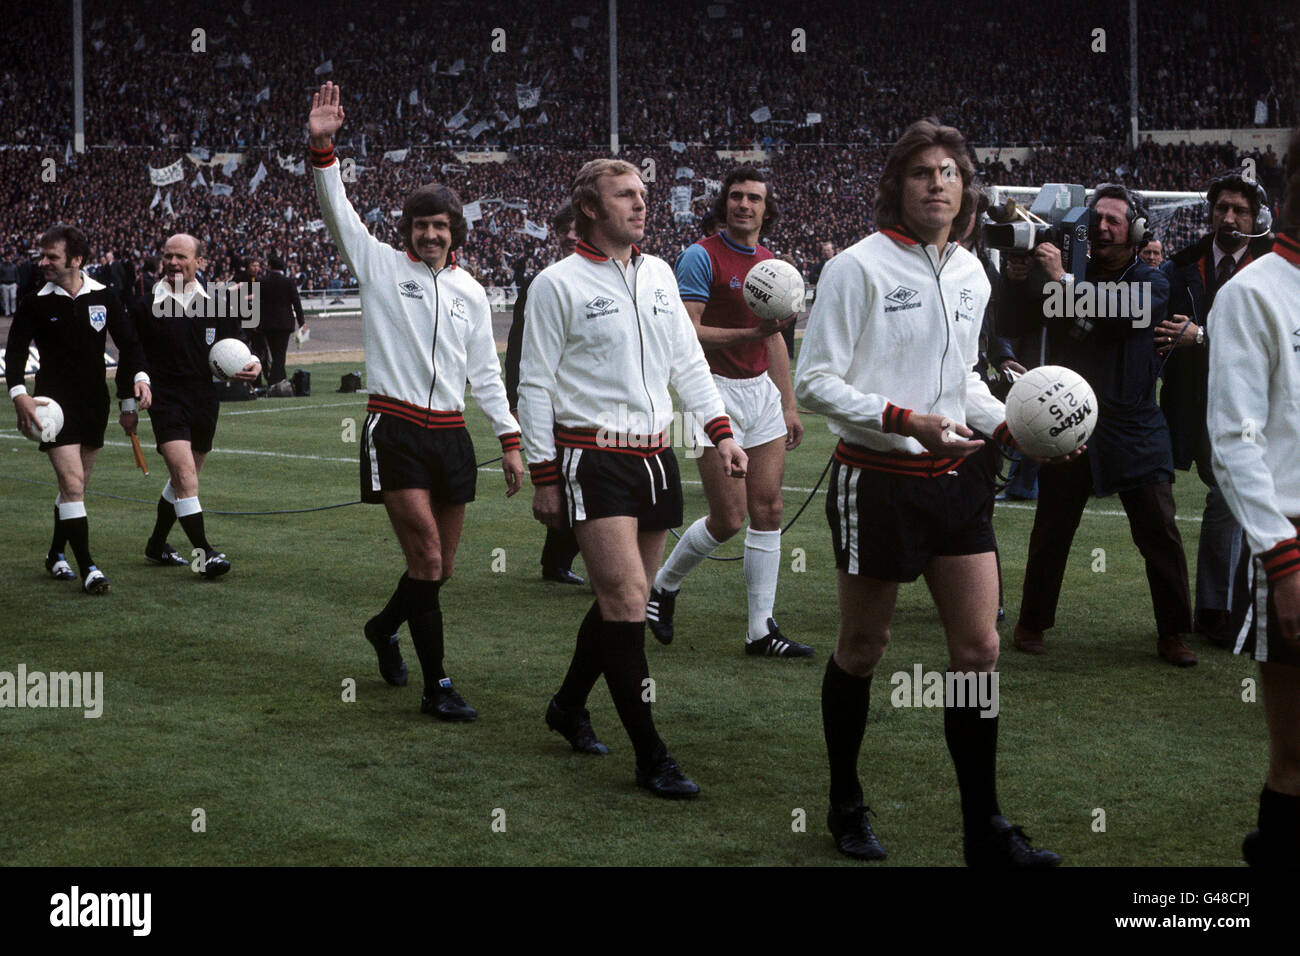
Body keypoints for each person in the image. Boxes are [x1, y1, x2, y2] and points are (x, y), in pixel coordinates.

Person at [795, 118, 1062, 866]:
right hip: (876, 482)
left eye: (950, 171)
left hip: (956, 483)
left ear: (965, 188)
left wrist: (1014, 427)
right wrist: (902, 419)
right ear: (897, 187)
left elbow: (962, 382)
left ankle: (986, 829)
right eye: (922, 172)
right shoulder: (857, 268)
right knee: (863, 647)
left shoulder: (973, 270)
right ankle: (845, 803)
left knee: (979, 648)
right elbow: (816, 382)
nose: (938, 182)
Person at [519, 157, 747, 796]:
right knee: (625, 603)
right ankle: (651, 755)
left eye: (642, 194)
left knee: (626, 602)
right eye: (624, 195)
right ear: (591, 208)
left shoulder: (660, 274)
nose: (640, 204)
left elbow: (687, 360)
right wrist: (543, 475)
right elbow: (533, 384)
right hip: (592, 456)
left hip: (655, 456)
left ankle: (567, 704)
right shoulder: (556, 284)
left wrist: (720, 430)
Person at [309, 80, 523, 722]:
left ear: (456, 232)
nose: (430, 234)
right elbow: (336, 211)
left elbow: (486, 372)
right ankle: (439, 686)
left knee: (442, 569)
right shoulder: (377, 263)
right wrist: (323, 149)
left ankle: (382, 627)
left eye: (441, 226)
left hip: (452, 436)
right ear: (407, 230)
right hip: (395, 429)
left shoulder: (472, 292)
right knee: (426, 559)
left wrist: (509, 441)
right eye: (421, 225)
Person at [1005, 183, 1197, 666]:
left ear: (1136, 230)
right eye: (1097, 219)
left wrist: (1062, 281)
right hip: (1070, 422)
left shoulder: (1152, 280)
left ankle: (1173, 632)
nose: (1103, 227)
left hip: (1135, 424)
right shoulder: (1064, 274)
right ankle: (1031, 623)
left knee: (1160, 531)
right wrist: (1016, 277)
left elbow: (1120, 314)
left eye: (1114, 219)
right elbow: (1017, 320)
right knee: (1051, 529)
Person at [647, 166, 813, 658]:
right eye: (736, 197)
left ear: (766, 208)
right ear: (725, 204)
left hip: (760, 392)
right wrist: (749, 336)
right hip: (711, 393)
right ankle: (664, 583)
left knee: (769, 509)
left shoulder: (772, 266)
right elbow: (689, 331)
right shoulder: (700, 256)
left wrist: (788, 403)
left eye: (754, 198)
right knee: (728, 517)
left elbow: (777, 339)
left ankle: (760, 631)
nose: (744, 205)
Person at [1207, 127, 1300, 865]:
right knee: (1297, 760)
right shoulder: (1251, 294)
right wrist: (1283, 558)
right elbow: (1235, 441)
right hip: (1294, 538)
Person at [6, 224, 152, 594]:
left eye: (52, 257)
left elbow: (130, 345)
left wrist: (136, 386)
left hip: (94, 404)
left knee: (77, 487)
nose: (43, 263)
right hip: (52, 407)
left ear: (77, 259)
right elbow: (17, 352)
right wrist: (19, 394)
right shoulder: (34, 299)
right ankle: (89, 568)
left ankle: (56, 553)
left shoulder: (105, 295)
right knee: (72, 485)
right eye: (42, 255)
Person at [1160, 174, 1273, 647]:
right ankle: (1204, 612)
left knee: (1228, 497)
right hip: (1187, 406)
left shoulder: (1274, 271)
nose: (1228, 218)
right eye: (1221, 208)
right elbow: (1159, 332)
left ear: (1257, 220)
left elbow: (1260, 343)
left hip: (1252, 408)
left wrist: (1200, 337)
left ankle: (1215, 608)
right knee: (1167, 506)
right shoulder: (1181, 265)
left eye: (1239, 211)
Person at [126, 233, 261, 578]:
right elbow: (132, 354)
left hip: (203, 399)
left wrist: (253, 362)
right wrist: (130, 398)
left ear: (200, 262)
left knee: (182, 481)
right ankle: (205, 554)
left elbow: (239, 343)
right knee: (185, 477)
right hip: (165, 400)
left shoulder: (217, 302)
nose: (172, 262)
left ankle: (156, 545)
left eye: (181, 256)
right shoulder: (144, 306)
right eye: (168, 256)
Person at [504, 202, 583, 585]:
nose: (570, 236)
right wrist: (515, 404)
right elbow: (517, 350)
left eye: (577, 228)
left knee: (578, 484)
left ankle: (557, 562)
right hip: (553, 406)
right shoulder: (543, 283)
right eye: (563, 230)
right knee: (571, 482)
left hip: (592, 405)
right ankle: (558, 562)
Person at [257, 253, 306, 390]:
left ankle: (279, 380)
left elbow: (256, 303)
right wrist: (302, 322)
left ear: (270, 266)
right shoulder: (289, 282)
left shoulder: (262, 281)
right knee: (280, 354)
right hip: (285, 323)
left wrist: (255, 322)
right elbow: (296, 303)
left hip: (267, 323)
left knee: (275, 353)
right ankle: (275, 382)